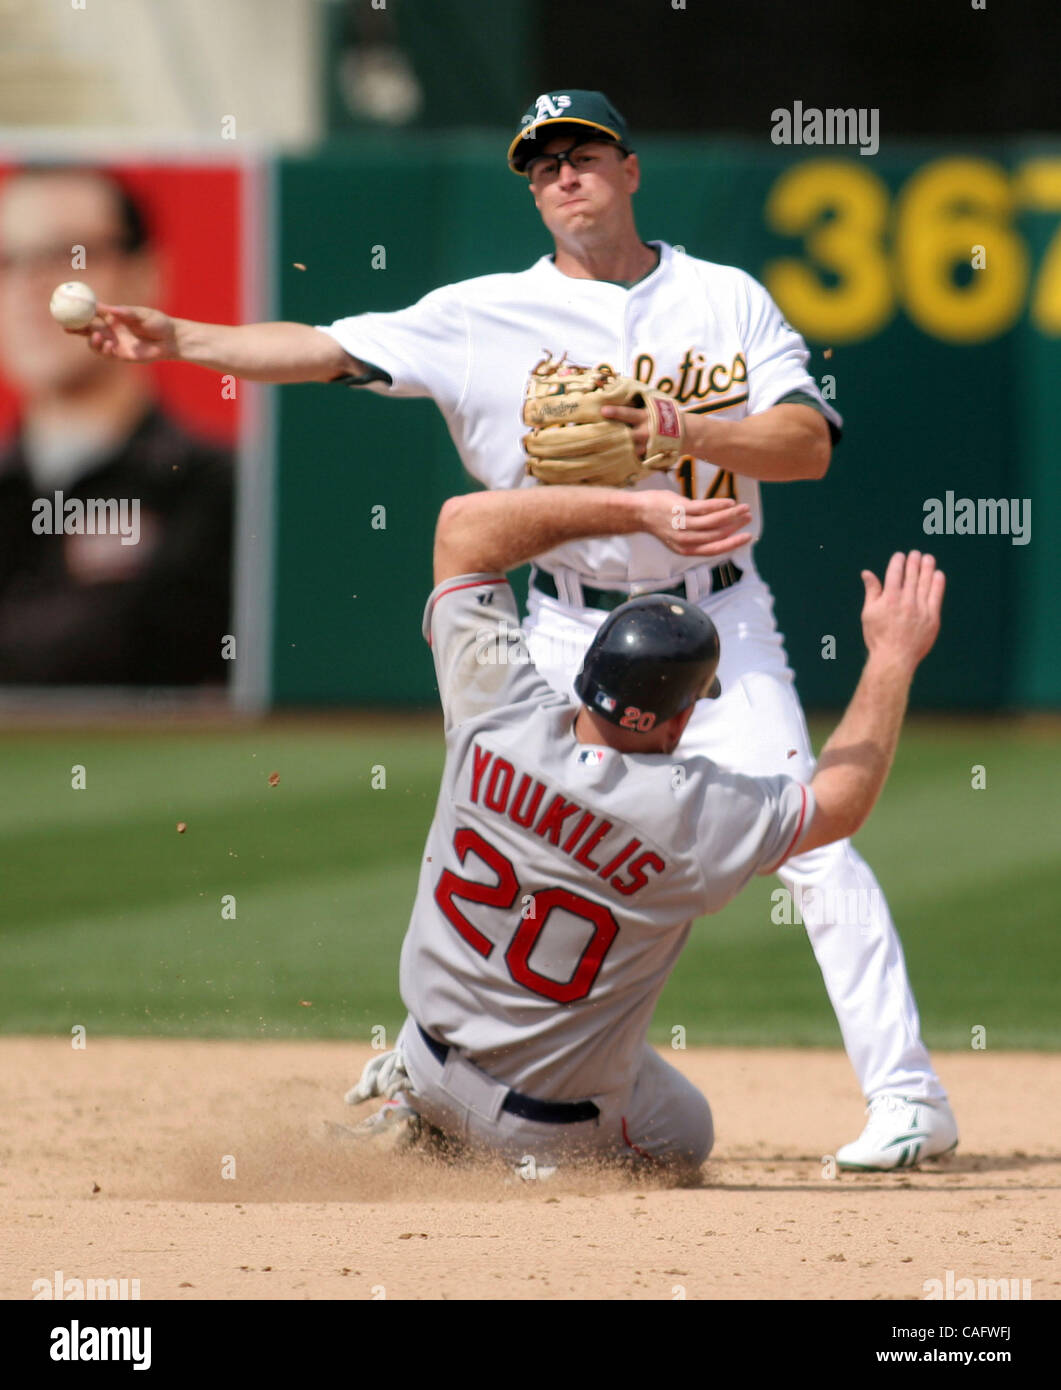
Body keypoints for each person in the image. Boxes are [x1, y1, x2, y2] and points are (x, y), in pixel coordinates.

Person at [72, 91, 957, 1170]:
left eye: (580, 155)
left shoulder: (724, 299)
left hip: (717, 614)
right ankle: (422, 1066)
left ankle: (905, 1097)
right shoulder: (479, 312)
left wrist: (684, 427)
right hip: (557, 622)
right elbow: (323, 348)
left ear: (629, 169)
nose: (561, 176)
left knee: (818, 847)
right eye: (540, 167)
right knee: (489, 831)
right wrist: (180, 338)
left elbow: (804, 443)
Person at [343, 482, 946, 1172]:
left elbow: (460, 526)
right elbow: (840, 802)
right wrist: (892, 658)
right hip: (539, 1125)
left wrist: (636, 510)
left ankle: (415, 1111)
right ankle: (511, 1163)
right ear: (681, 718)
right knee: (686, 1128)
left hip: (422, 1058)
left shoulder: (493, 712)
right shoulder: (691, 817)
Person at [0, 165, 233, 685]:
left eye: (66, 255)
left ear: (144, 274)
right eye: (7, 261)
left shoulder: (223, 491)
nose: (28, 287)